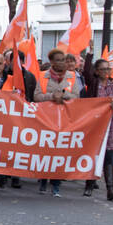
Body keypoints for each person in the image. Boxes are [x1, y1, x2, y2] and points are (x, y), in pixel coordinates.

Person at [33, 49, 80, 196]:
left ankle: (56, 184)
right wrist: (52, 96)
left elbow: (77, 96)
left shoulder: (71, 77)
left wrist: (64, 96)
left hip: (65, 120)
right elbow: (37, 96)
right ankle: (43, 180)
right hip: (46, 119)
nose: (62, 63)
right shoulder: (42, 76)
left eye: (64, 60)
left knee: (60, 152)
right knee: (45, 151)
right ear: (52, 62)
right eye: (59, 60)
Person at [82, 56, 113, 200]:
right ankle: (89, 185)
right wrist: (90, 55)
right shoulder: (93, 84)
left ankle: (110, 188)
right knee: (94, 154)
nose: (106, 71)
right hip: (95, 125)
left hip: (110, 126)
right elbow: (86, 72)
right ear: (97, 71)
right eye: (103, 69)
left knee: (109, 156)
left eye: (108, 69)